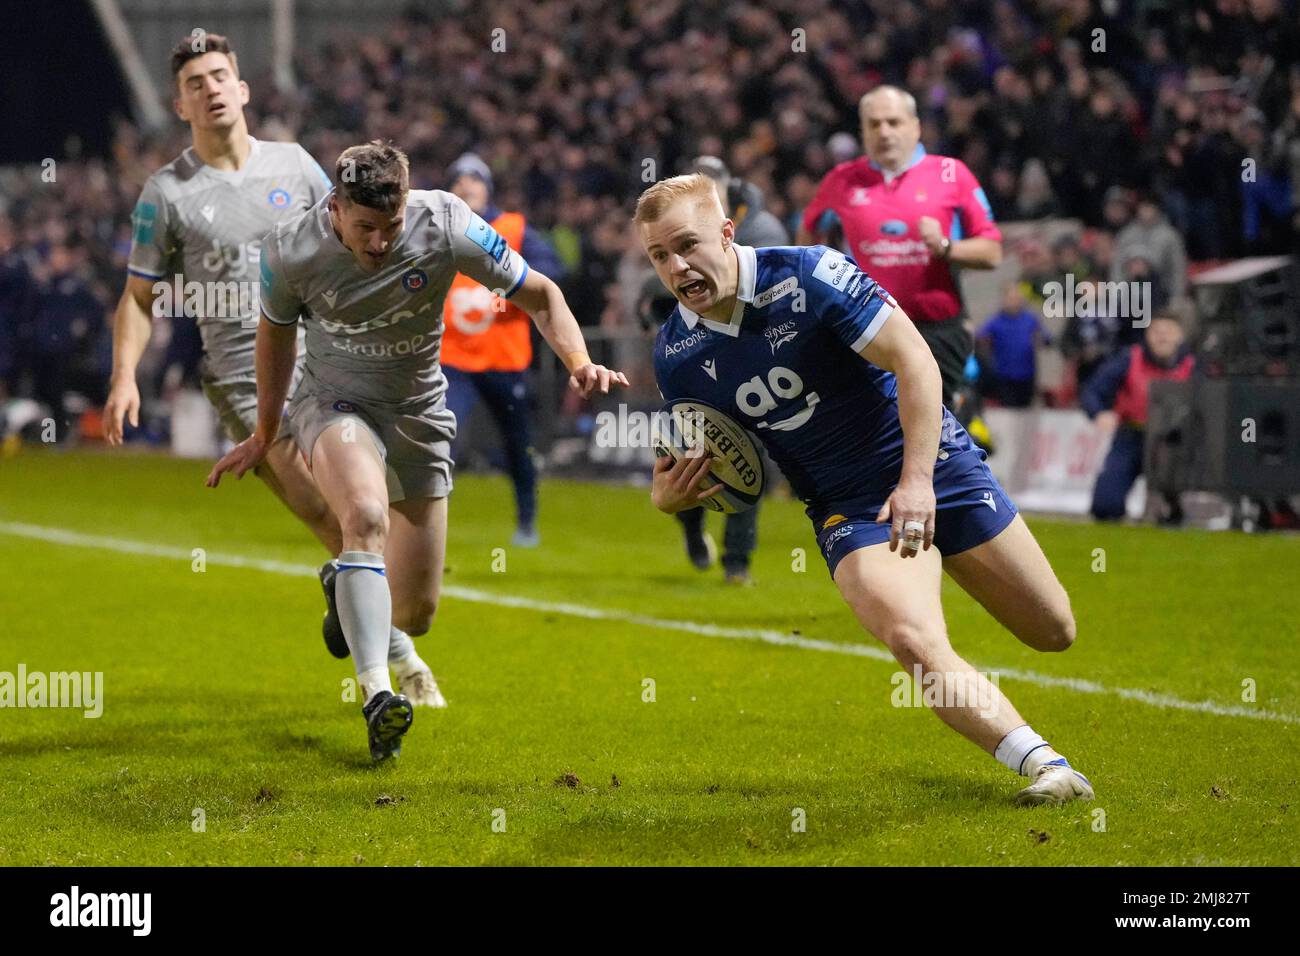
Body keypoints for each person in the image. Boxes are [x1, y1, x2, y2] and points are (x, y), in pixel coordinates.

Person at [639, 174, 1092, 806]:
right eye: (659, 255)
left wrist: (915, 481)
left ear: (726, 232)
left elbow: (916, 361)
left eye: (687, 245)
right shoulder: (676, 355)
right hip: (847, 509)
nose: (676, 266)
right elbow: (719, 458)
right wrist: (672, 496)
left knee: (1053, 630)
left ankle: (953, 559)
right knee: (911, 638)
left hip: (936, 466)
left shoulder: (812, 275)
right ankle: (1047, 766)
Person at [207, 142, 627, 761]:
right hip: (333, 403)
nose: (380, 243)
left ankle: (342, 587)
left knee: (416, 612)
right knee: (364, 518)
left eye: (391, 225)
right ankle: (378, 693)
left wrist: (580, 361)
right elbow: (275, 344)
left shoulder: (448, 221)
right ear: (336, 207)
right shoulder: (290, 250)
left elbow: (539, 293)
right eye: (366, 228)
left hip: (419, 411)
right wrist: (267, 432)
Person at [100, 36, 447, 703]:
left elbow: (349, 244)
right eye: (196, 82)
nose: (211, 88)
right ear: (180, 103)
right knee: (331, 517)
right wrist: (124, 376)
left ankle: (363, 617)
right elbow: (138, 298)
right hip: (244, 384)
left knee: (363, 520)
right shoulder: (165, 194)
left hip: (329, 369)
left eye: (221, 75)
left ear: (244, 88)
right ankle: (393, 677)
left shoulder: (295, 166)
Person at [798, 86, 1003, 408]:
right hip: (867, 325)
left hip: (937, 330)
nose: (884, 132)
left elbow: (992, 252)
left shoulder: (951, 174)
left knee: (933, 429)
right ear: (862, 131)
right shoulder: (842, 179)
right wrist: (817, 285)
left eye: (894, 122)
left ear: (915, 126)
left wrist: (946, 248)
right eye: (874, 124)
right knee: (876, 429)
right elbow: (809, 231)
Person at [664, 156, 791, 584]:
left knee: (747, 458)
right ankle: (693, 529)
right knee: (689, 459)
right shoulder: (677, 228)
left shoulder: (762, 229)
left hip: (749, 360)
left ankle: (737, 561)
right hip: (696, 361)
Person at [442, 152, 566, 548]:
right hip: (453, 358)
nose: (466, 188)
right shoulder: (440, 229)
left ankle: (527, 519)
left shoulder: (514, 227)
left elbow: (553, 270)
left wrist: (513, 291)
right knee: (441, 436)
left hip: (504, 358)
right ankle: (427, 521)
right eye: (458, 183)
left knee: (518, 444)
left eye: (473, 181)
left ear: (487, 188)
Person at [1081, 314, 1193, 523]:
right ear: (1147, 336)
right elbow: (1093, 390)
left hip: (1174, 444)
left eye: (1168, 332)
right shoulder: (1128, 359)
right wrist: (1098, 413)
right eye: (1157, 333)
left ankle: (1172, 508)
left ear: (1180, 337)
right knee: (1105, 506)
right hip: (1132, 436)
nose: (1162, 338)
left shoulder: (1192, 366)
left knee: (1176, 501)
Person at [975, 283, 1050, 408]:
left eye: (1016, 298)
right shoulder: (996, 320)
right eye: (1010, 298)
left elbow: (1046, 337)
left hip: (1027, 375)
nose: (1013, 302)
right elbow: (980, 336)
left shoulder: (1030, 319)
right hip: (1003, 375)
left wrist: (1041, 340)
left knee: (1025, 411)